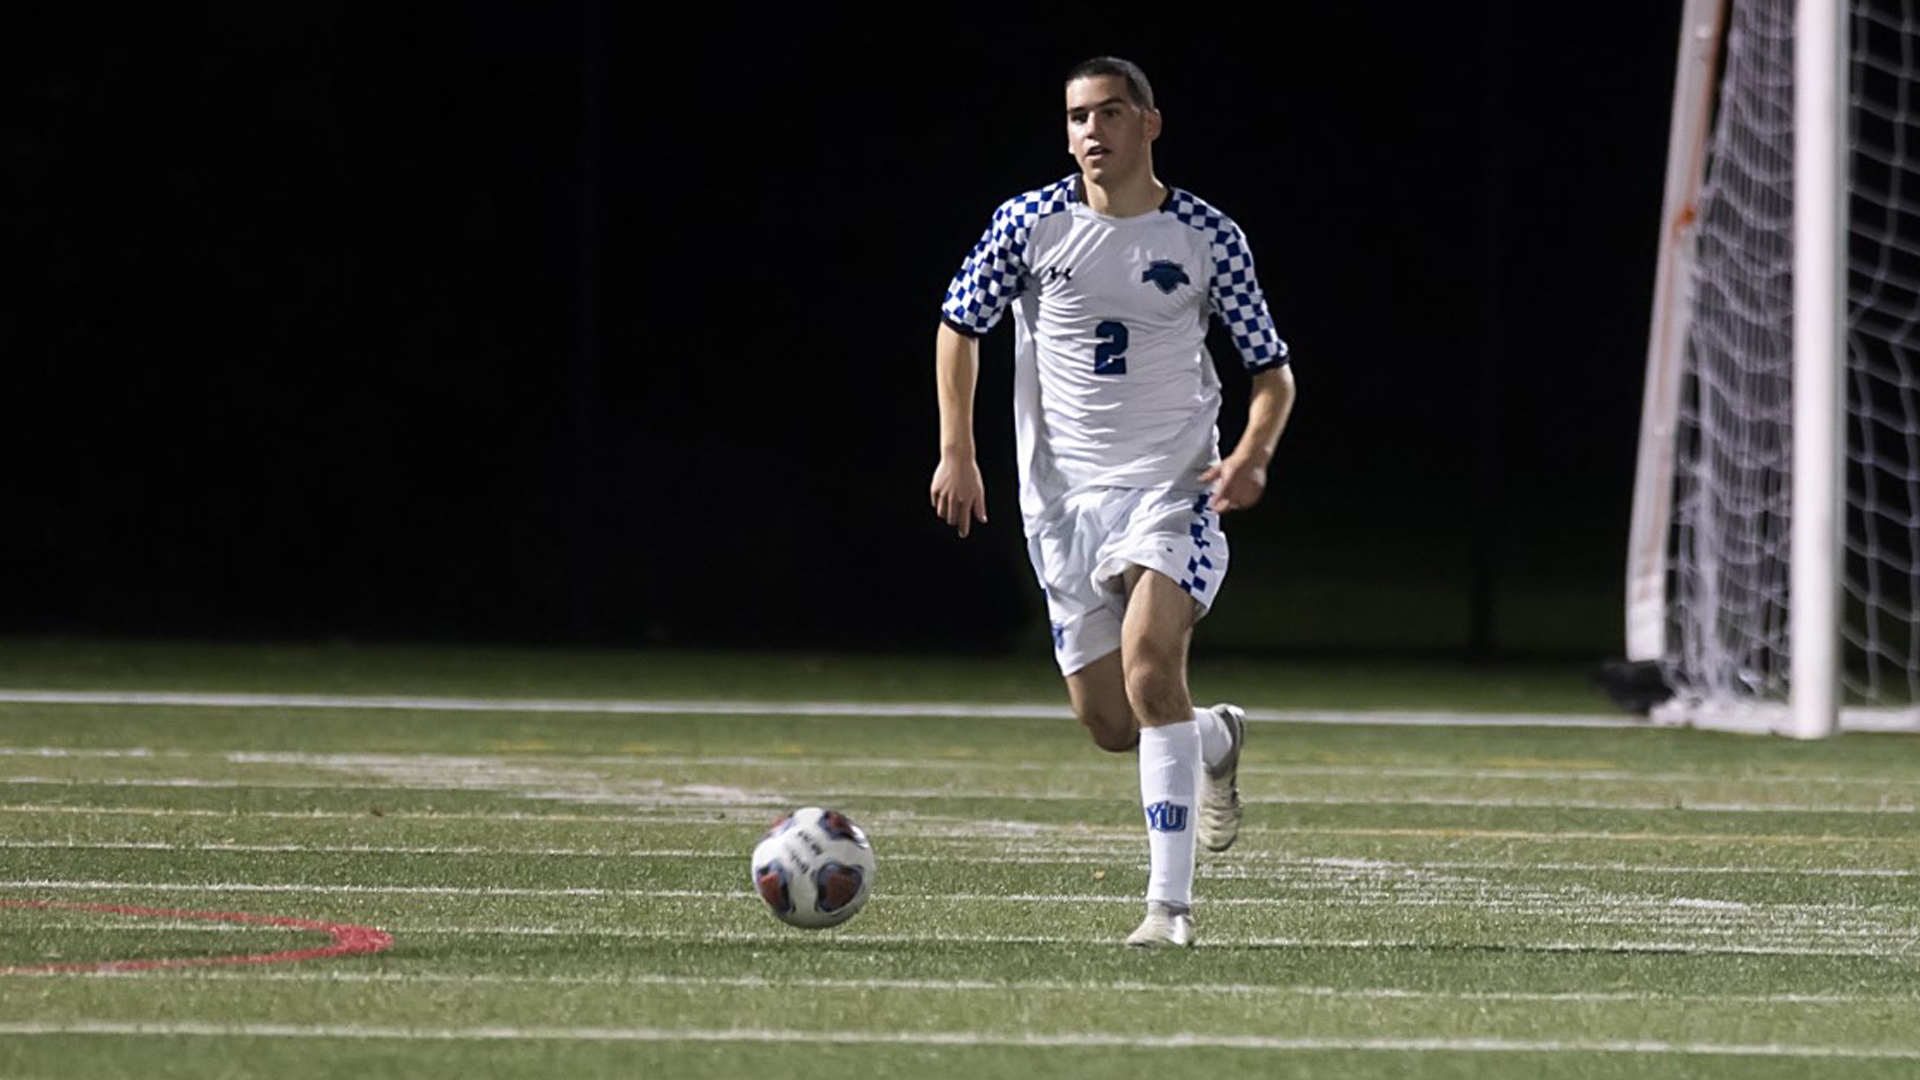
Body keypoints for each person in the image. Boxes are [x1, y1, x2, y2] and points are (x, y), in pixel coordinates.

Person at [930, 56, 1296, 947]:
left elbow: (1273, 373)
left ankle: (1166, 911)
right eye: (1076, 118)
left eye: (1109, 114)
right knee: (1111, 723)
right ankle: (1211, 738)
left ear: (1150, 123)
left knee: (1147, 665)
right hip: (1061, 506)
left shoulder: (1207, 235)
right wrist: (958, 449)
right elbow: (958, 325)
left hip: (1175, 492)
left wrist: (1249, 454)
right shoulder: (1030, 224)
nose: (1091, 132)